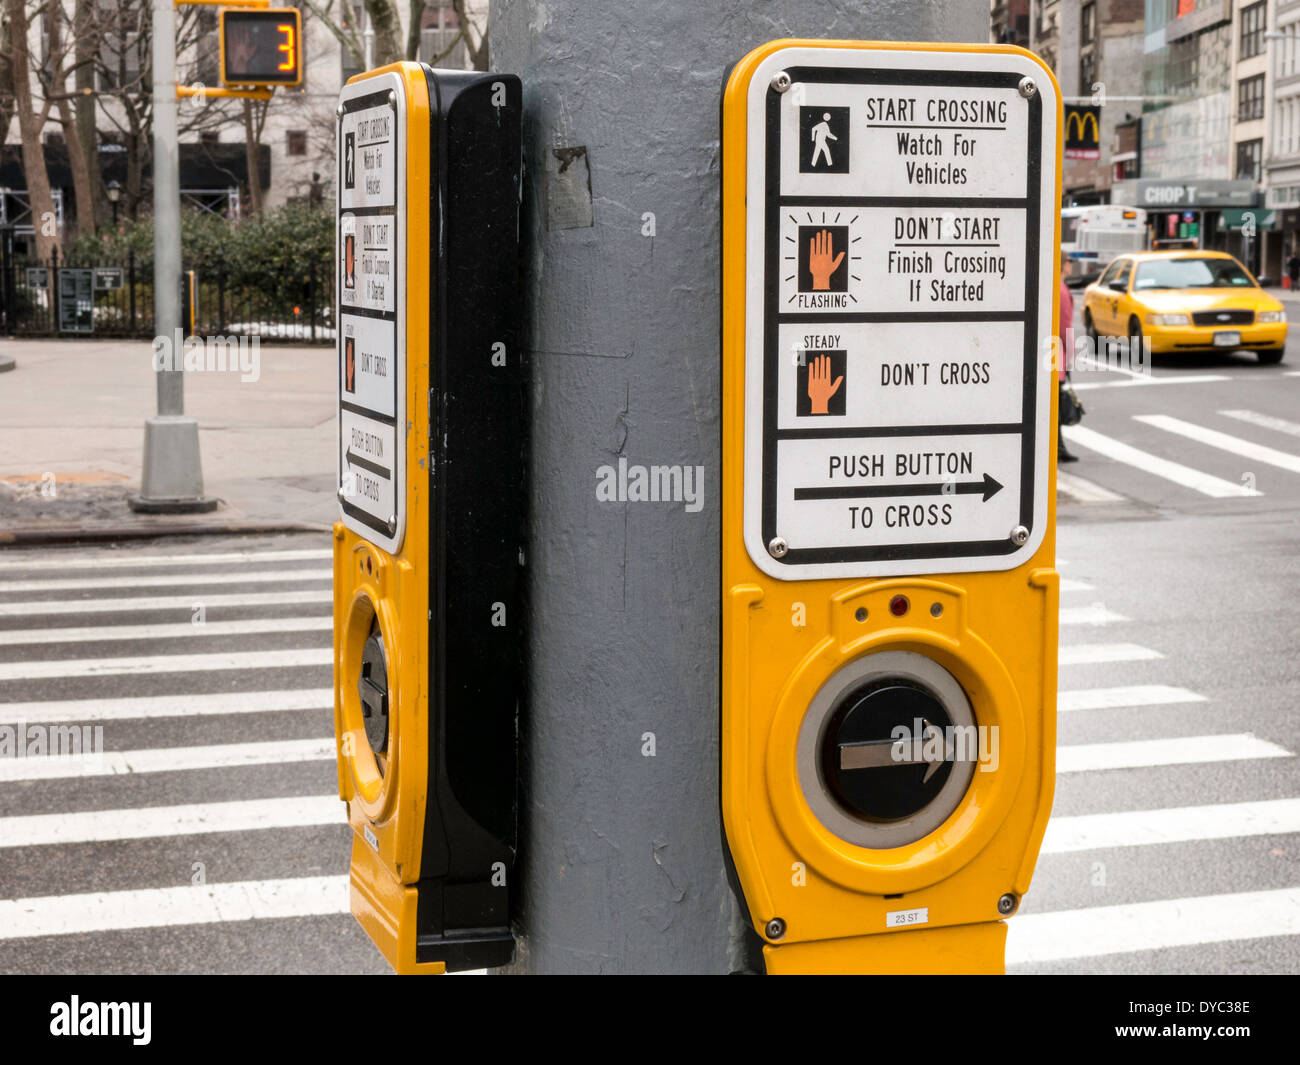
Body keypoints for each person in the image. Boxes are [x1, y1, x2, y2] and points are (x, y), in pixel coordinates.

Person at [1058, 254, 1077, 463]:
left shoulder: (1054, 287)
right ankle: (1058, 448)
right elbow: (1065, 328)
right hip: (1056, 359)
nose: (1071, 265)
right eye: (1070, 261)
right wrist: (1071, 356)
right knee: (1056, 406)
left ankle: (1059, 447)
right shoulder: (1062, 290)